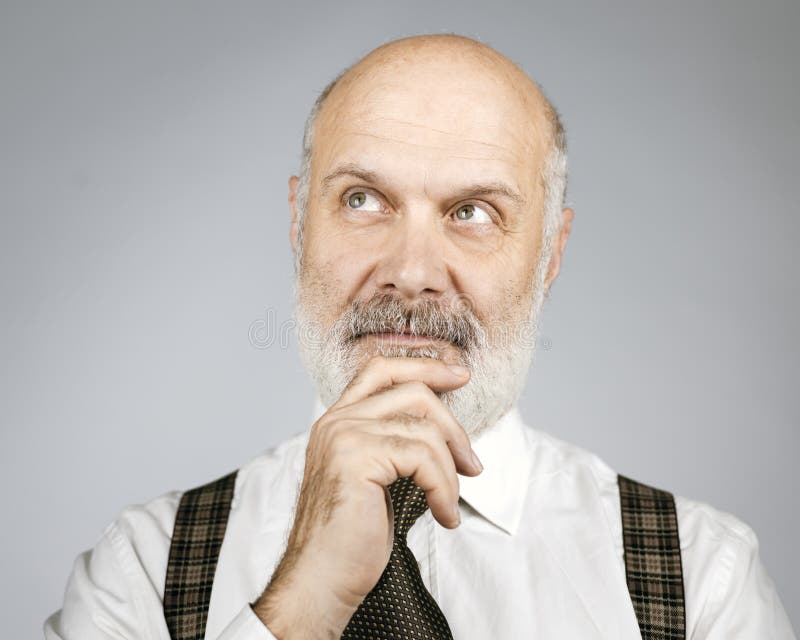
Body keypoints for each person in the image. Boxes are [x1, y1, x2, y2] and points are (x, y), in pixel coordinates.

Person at [45, 33, 795, 640]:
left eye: (473, 213)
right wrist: (301, 603)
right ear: (299, 224)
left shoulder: (704, 578)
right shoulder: (143, 569)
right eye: (363, 200)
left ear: (550, 255)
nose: (410, 274)